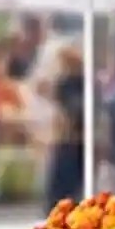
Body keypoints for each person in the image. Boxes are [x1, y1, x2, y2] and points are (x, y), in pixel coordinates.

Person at [45, 45, 85, 208]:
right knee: (63, 176)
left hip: (79, 137)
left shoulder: (84, 82)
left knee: (75, 177)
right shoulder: (63, 83)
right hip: (67, 137)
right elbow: (61, 110)